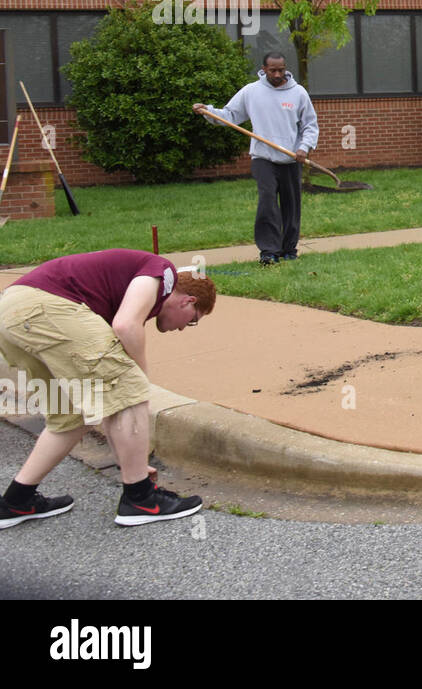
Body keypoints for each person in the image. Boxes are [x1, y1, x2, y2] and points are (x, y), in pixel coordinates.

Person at [0, 249, 214, 528]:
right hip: (46, 309)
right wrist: (139, 377)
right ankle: (141, 500)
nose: (186, 328)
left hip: (12, 313)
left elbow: (110, 401)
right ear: (188, 301)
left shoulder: (109, 293)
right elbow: (125, 326)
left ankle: (17, 501)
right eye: (193, 319)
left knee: (71, 416)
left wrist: (130, 460)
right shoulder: (163, 272)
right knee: (131, 385)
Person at [195, 53, 319, 264]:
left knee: (291, 205)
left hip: (291, 159)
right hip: (263, 158)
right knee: (267, 202)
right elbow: (230, 115)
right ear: (264, 69)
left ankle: (289, 249)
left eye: (281, 70)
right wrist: (208, 111)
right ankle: (269, 252)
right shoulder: (251, 92)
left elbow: (310, 125)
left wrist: (303, 147)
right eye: (273, 70)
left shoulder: (298, 93)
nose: (278, 74)